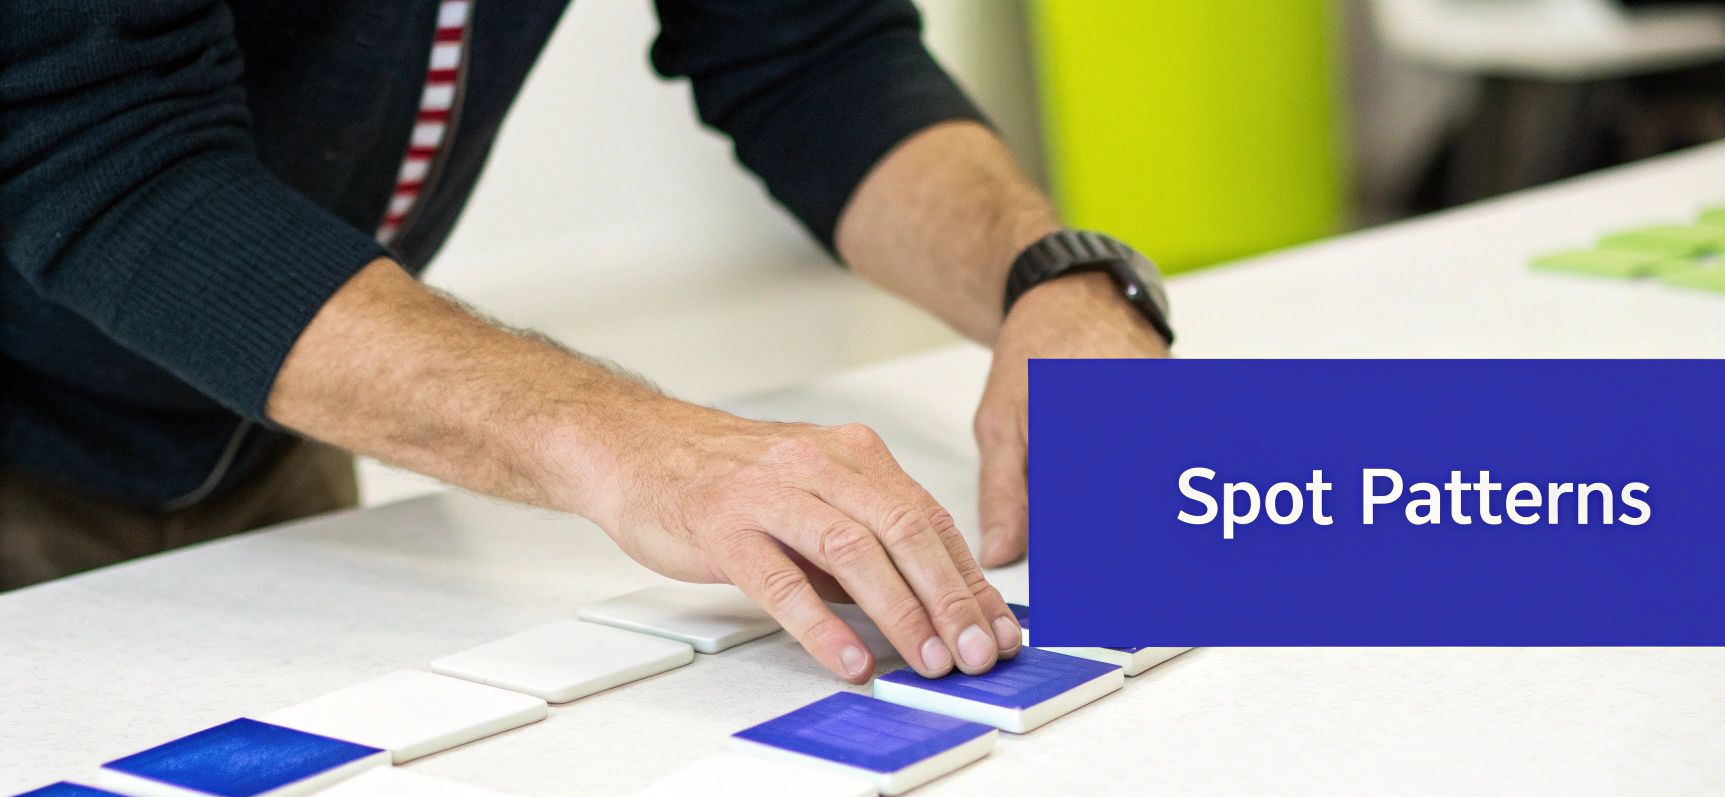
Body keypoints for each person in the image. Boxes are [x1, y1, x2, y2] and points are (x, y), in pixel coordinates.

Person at [0, 0, 1172, 682]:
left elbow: (815, 50)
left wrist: (1045, 275)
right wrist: (627, 443)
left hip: (262, 411)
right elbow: (104, 153)